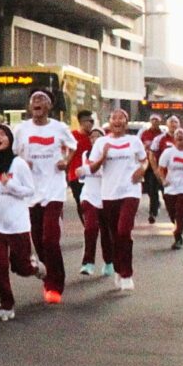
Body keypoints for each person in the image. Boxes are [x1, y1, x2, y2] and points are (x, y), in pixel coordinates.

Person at [13, 90, 71, 304]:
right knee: (37, 239)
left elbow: (72, 148)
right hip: (31, 192)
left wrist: (66, 160)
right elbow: (13, 154)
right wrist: (21, 165)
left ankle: (55, 284)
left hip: (54, 189)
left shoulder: (59, 128)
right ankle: (48, 275)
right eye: (33, 100)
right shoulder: (21, 129)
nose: (37, 103)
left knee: (50, 239)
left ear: (49, 106)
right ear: (29, 107)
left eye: (41, 100)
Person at [0, 122, 41, 321]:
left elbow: (30, 191)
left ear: (10, 140)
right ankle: (6, 304)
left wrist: (11, 185)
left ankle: (36, 268)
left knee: (21, 267)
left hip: (17, 224)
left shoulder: (18, 164)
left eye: (2, 135)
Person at [86, 108, 148, 294]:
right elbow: (92, 168)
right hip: (109, 194)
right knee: (115, 236)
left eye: (122, 118)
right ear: (109, 122)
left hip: (130, 191)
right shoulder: (101, 142)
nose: (118, 121)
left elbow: (144, 160)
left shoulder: (134, 141)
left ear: (126, 122)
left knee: (123, 231)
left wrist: (142, 170)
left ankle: (127, 274)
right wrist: (104, 156)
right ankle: (119, 269)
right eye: (114, 118)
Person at [155, 125, 183, 249]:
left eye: (182, 134)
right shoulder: (168, 152)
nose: (179, 136)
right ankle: (179, 225)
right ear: (174, 139)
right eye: (177, 135)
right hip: (170, 186)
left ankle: (178, 236)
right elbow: (161, 168)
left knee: (180, 209)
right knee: (172, 212)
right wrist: (163, 180)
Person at [73, 109, 104, 277]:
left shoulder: (109, 155)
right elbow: (85, 173)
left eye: (97, 136)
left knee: (107, 234)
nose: (94, 139)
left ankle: (109, 261)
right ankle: (88, 262)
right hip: (89, 195)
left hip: (106, 196)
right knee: (91, 228)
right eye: (91, 137)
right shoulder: (86, 154)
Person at [139, 114, 166, 226]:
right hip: (149, 166)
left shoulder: (162, 134)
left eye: (157, 120)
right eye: (153, 120)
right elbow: (139, 147)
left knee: (166, 189)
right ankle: (152, 213)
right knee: (151, 189)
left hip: (163, 165)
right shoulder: (144, 133)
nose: (155, 122)